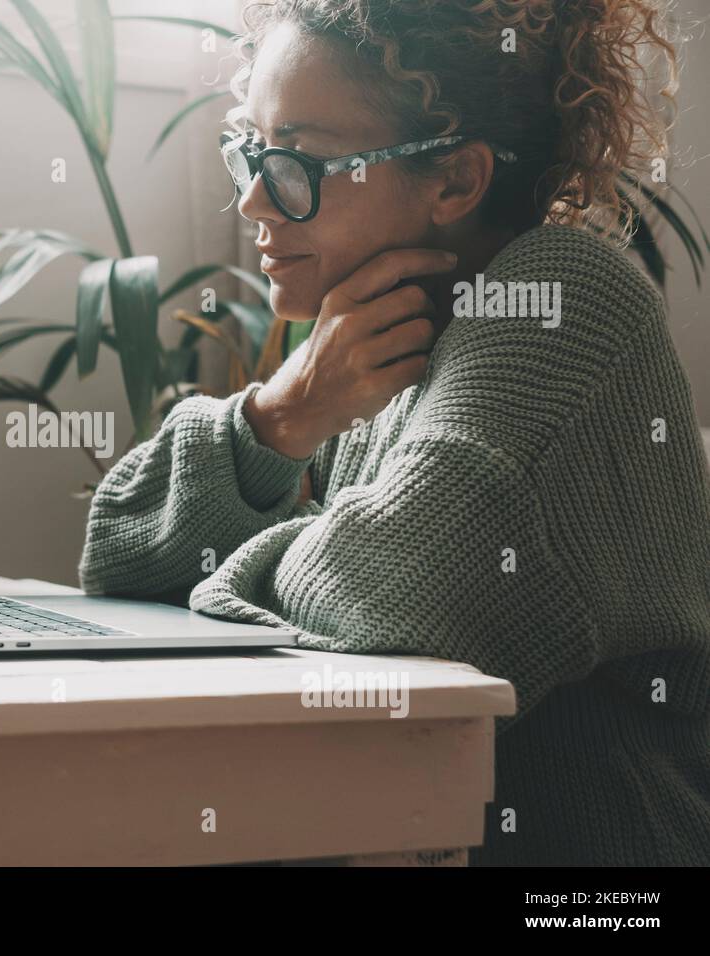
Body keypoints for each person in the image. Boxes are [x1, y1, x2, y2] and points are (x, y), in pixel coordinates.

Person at [78, 0, 710, 865]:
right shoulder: (375, 344)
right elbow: (116, 560)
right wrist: (281, 415)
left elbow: (401, 601)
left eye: (300, 160)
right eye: (251, 151)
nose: (255, 198)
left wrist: (244, 559)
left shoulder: (562, 296)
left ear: (454, 180)